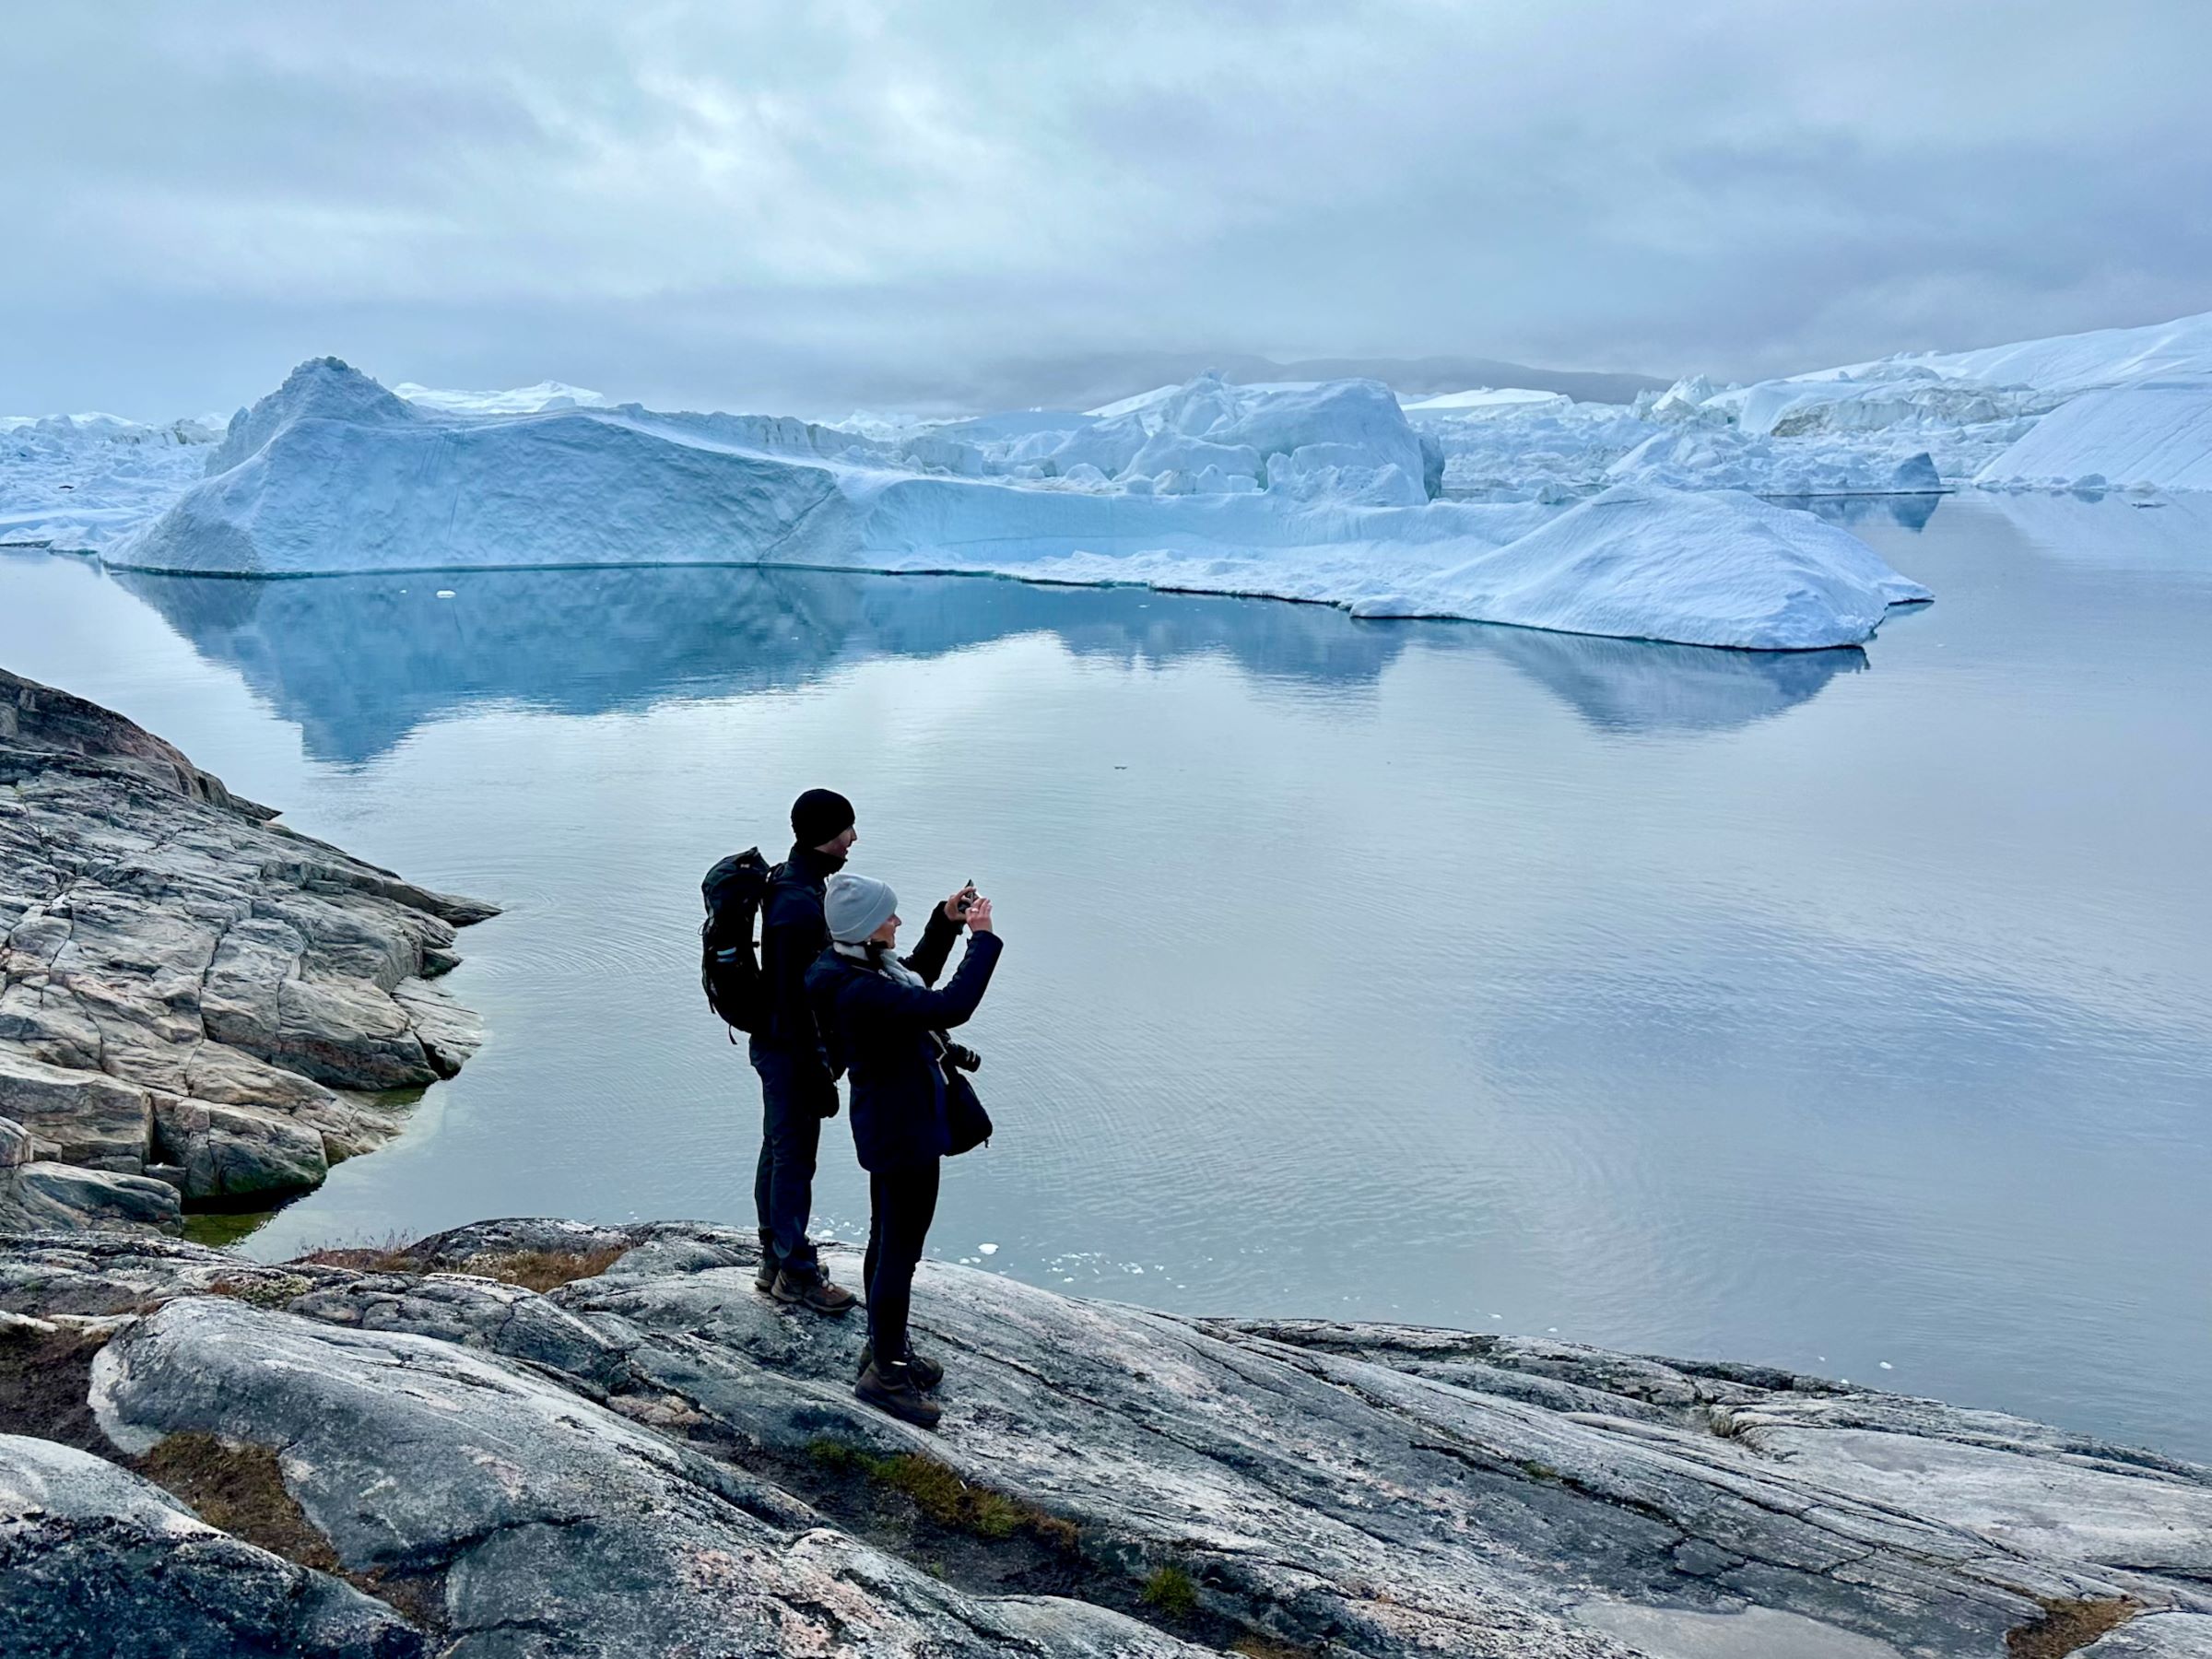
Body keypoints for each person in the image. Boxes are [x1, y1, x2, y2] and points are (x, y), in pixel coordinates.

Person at [807, 872, 1001, 1428]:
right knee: (899, 1250)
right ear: (868, 930)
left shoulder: (849, 968)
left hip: (891, 1124)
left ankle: (883, 1348)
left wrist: (945, 923)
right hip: (904, 1131)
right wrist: (983, 939)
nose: (896, 921)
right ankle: (887, 1375)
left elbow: (915, 981)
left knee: (887, 1239)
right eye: (888, 916)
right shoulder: (860, 990)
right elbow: (949, 1005)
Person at [749, 788, 861, 1312]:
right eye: (846, 829)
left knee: (779, 1150)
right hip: (792, 1049)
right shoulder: (797, 904)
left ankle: (775, 1259)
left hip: (781, 1044)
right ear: (825, 834)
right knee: (793, 1158)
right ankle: (794, 1271)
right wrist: (817, 1068)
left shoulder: (795, 882)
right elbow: (795, 999)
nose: (853, 838)